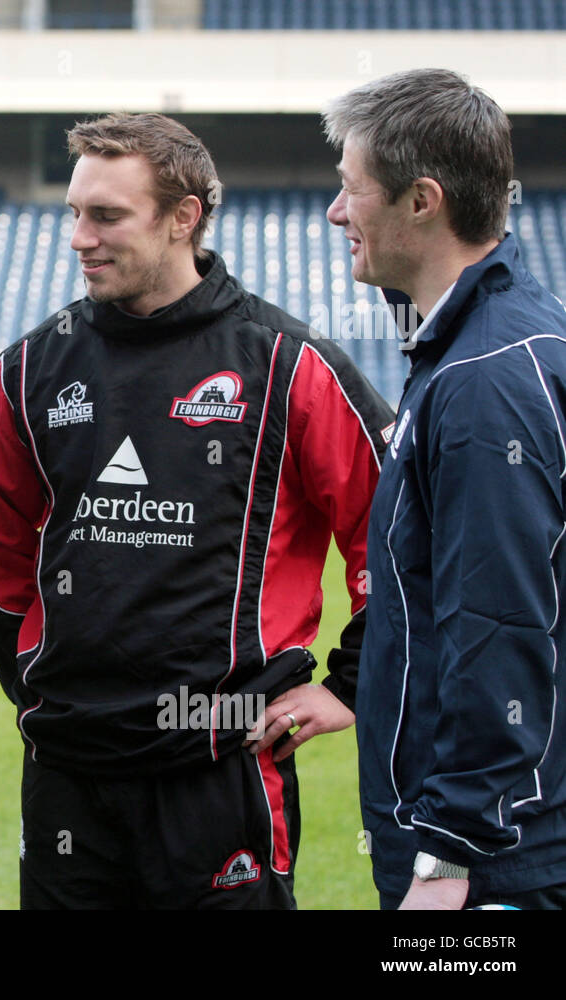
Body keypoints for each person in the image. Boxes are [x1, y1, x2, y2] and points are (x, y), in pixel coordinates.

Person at [0, 112, 394, 909]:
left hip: (221, 764)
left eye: (108, 216)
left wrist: (355, 685)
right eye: (74, 213)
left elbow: (395, 530)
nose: (80, 237)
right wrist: (34, 675)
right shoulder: (28, 371)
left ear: (183, 217)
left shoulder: (287, 365)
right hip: (68, 767)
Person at [325, 68, 566, 910]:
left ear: (421, 201)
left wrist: (450, 860)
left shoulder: (483, 381)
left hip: (494, 865)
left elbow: (497, 623)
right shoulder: (487, 346)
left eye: (351, 190)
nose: (334, 212)